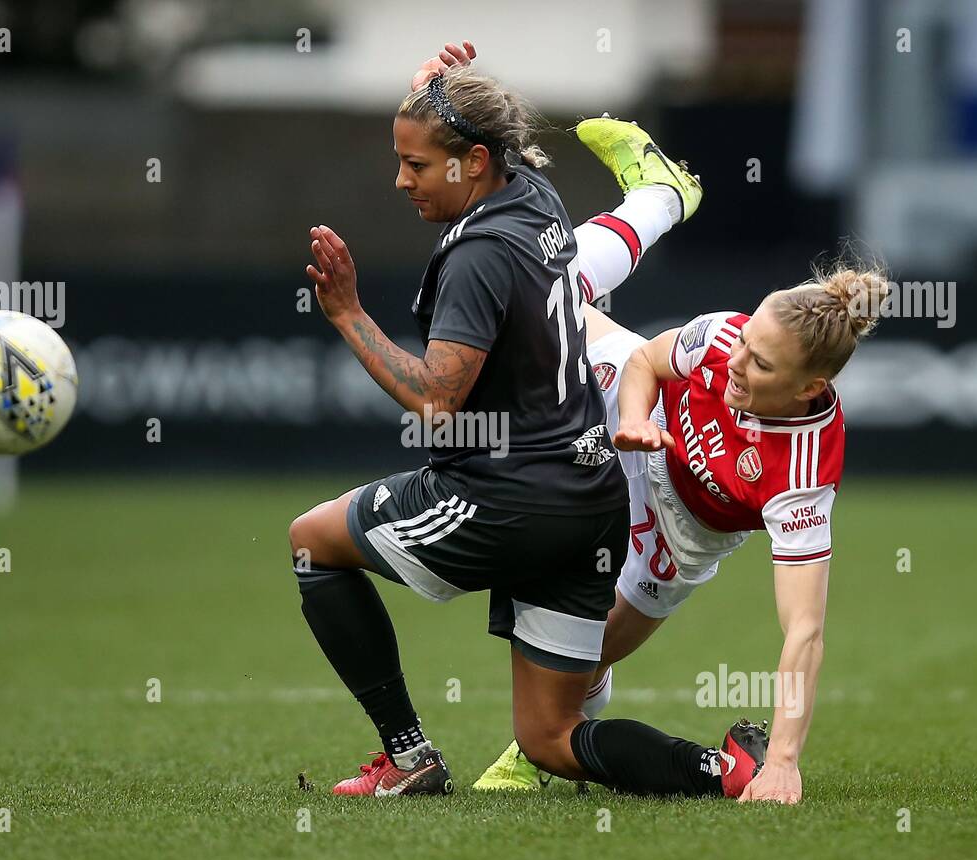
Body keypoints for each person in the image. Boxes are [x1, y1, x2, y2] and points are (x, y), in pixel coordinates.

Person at [290, 54, 755, 800]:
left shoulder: (477, 256)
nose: (400, 181)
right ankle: (722, 770)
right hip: (590, 500)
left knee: (313, 542)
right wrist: (432, 89)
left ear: (473, 162)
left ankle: (409, 758)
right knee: (549, 737)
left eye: (414, 165)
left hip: (502, 499)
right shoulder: (534, 196)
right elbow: (475, 138)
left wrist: (346, 313)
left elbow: (437, 399)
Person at [472, 115, 887, 802]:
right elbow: (645, 358)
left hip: (682, 532)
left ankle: (535, 749)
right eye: (745, 340)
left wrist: (782, 759)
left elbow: (805, 630)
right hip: (644, 425)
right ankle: (661, 195)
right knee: (535, 291)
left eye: (760, 363)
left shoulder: (802, 477)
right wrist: (633, 420)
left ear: (811, 387)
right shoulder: (726, 336)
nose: (736, 362)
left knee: (582, 656)